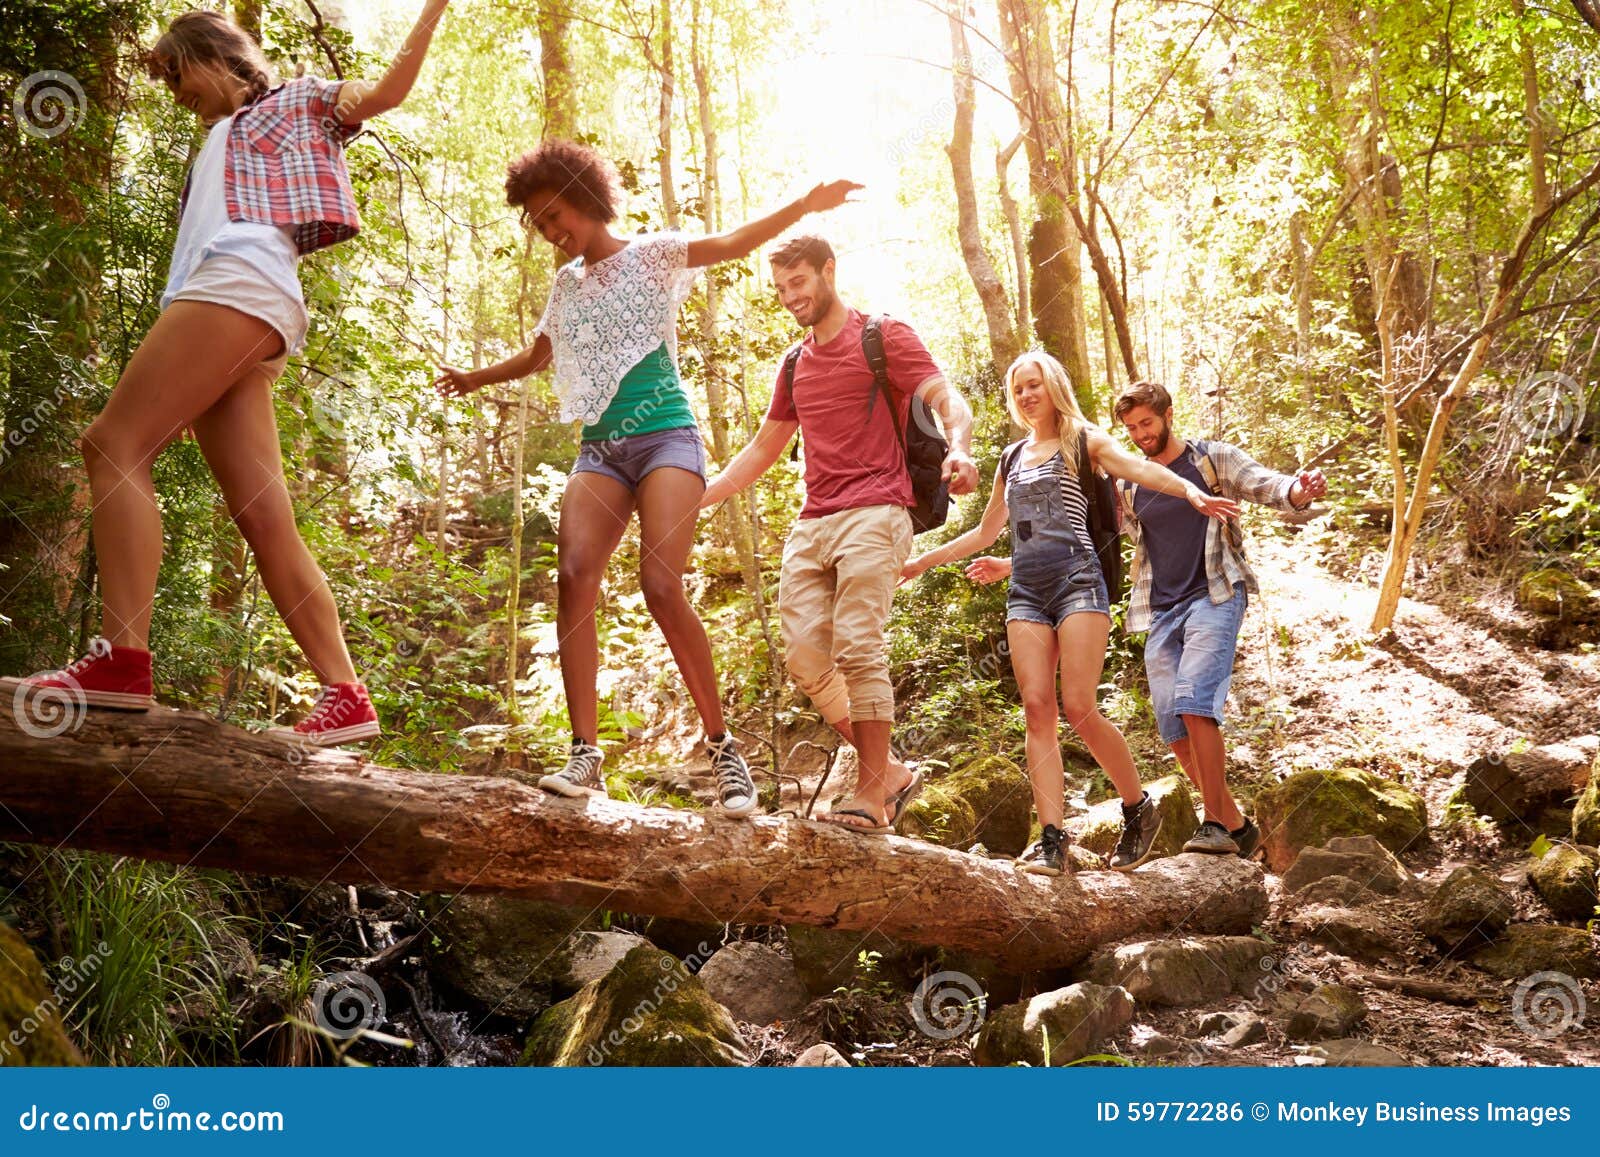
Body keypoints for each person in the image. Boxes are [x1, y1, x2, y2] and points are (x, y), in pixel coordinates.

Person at [1, 4, 452, 746]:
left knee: (112, 445)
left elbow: (386, 92)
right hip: (230, 301)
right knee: (261, 515)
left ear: (214, 56)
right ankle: (346, 693)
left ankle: (122, 663)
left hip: (237, 287)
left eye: (178, 75)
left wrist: (430, 9)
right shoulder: (217, 140)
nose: (176, 92)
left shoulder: (295, 100)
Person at [434, 142, 860, 818]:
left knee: (660, 582)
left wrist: (805, 204)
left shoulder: (652, 255)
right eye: (540, 225)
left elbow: (730, 241)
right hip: (602, 448)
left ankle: (724, 752)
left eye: (555, 216)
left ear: (585, 197)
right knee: (574, 574)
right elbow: (540, 353)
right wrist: (475, 377)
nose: (551, 232)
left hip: (666, 435)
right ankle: (585, 753)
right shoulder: (566, 286)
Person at [900, 352, 1240, 874]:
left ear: (1052, 385)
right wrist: (924, 559)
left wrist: (1192, 490)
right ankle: (1053, 838)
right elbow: (986, 530)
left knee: (1078, 706)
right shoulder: (1012, 457)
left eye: (1034, 385)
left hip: (1080, 582)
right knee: (1037, 709)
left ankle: (1137, 807)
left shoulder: (1085, 439)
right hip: (1027, 593)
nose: (1026, 395)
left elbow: (1140, 468)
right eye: (1018, 390)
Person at [700, 234, 979, 834]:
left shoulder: (883, 336)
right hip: (814, 519)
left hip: (879, 508)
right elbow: (763, 448)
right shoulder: (794, 363)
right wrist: (700, 495)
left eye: (798, 282)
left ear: (828, 271)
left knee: (857, 646)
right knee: (805, 657)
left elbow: (945, 396)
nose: (790, 296)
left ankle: (872, 794)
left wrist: (960, 449)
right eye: (779, 289)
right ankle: (895, 772)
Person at [1114, 380, 1328, 855]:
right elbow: (1097, 536)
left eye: (1146, 423)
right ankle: (1237, 826)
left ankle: (1212, 824)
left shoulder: (1211, 460)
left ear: (1168, 415)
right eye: (1130, 428)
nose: (1140, 434)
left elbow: (1267, 484)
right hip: (1161, 609)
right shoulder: (1130, 480)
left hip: (1214, 594)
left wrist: (1298, 490)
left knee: (1195, 702)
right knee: (1173, 727)